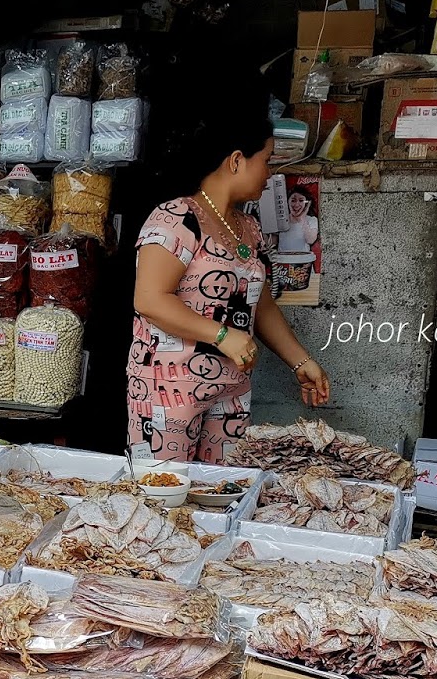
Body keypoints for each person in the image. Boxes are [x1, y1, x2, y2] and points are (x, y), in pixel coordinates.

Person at [130, 90, 331, 462]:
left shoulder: (248, 228)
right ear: (236, 160)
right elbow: (150, 299)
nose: (270, 172)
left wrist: (301, 362)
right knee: (164, 496)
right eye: (266, 160)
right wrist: (222, 335)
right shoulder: (176, 218)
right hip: (168, 391)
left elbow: (262, 304)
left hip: (230, 391)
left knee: (221, 497)